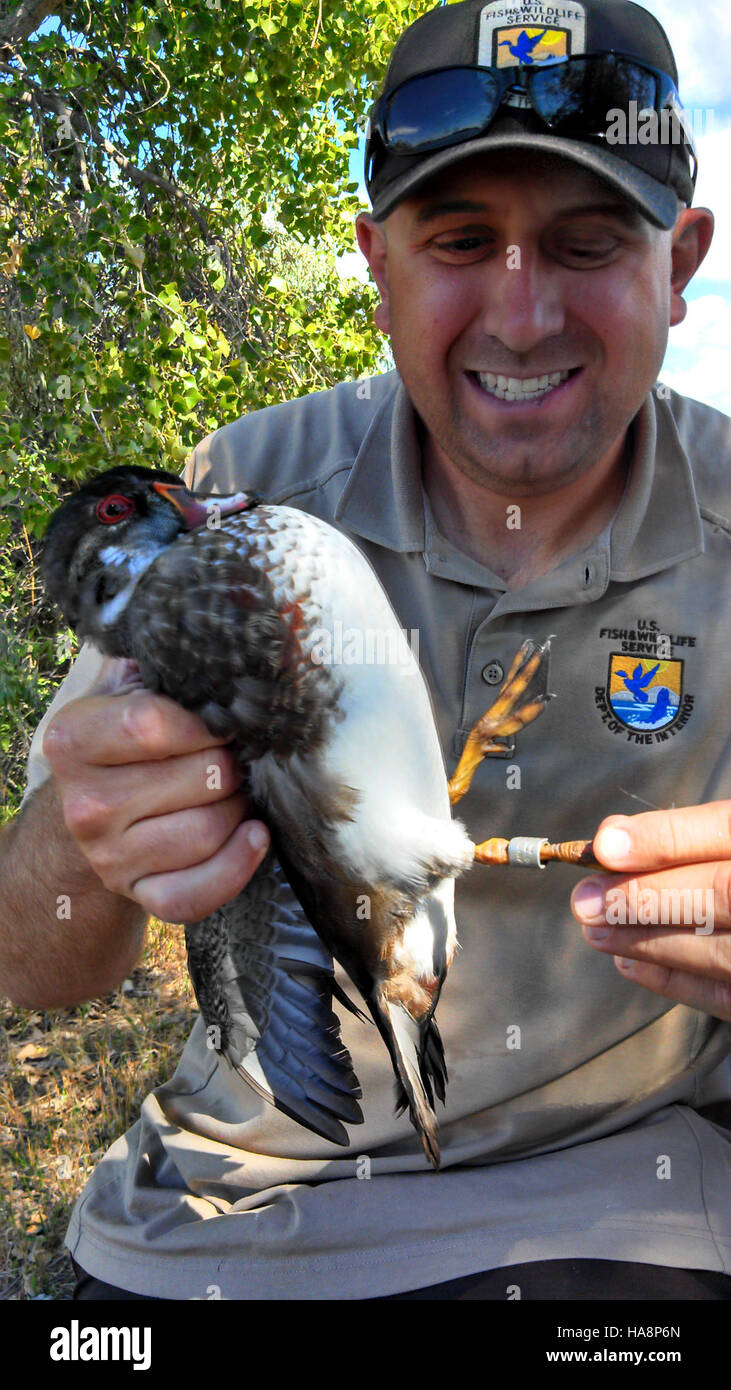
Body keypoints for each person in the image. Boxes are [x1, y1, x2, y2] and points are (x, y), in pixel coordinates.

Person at [1, 0, 729, 1301]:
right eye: (460, 239)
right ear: (374, 263)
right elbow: (32, 962)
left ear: (680, 261)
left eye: (586, 240)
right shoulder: (242, 488)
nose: (520, 313)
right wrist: (90, 841)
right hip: (235, 1213)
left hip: (629, 1206)